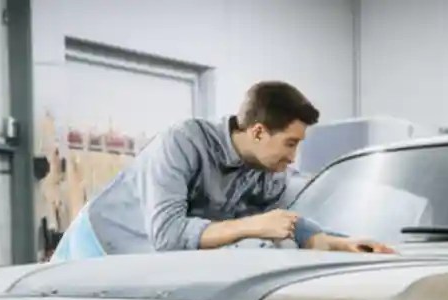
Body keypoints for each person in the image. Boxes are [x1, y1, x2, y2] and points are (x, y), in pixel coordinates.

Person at [50, 80, 391, 261]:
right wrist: (253, 226)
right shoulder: (182, 143)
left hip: (147, 260)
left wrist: (334, 242)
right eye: (290, 143)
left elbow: (286, 218)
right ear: (258, 131)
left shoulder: (263, 167)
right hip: (97, 247)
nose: (293, 157)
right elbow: (168, 235)